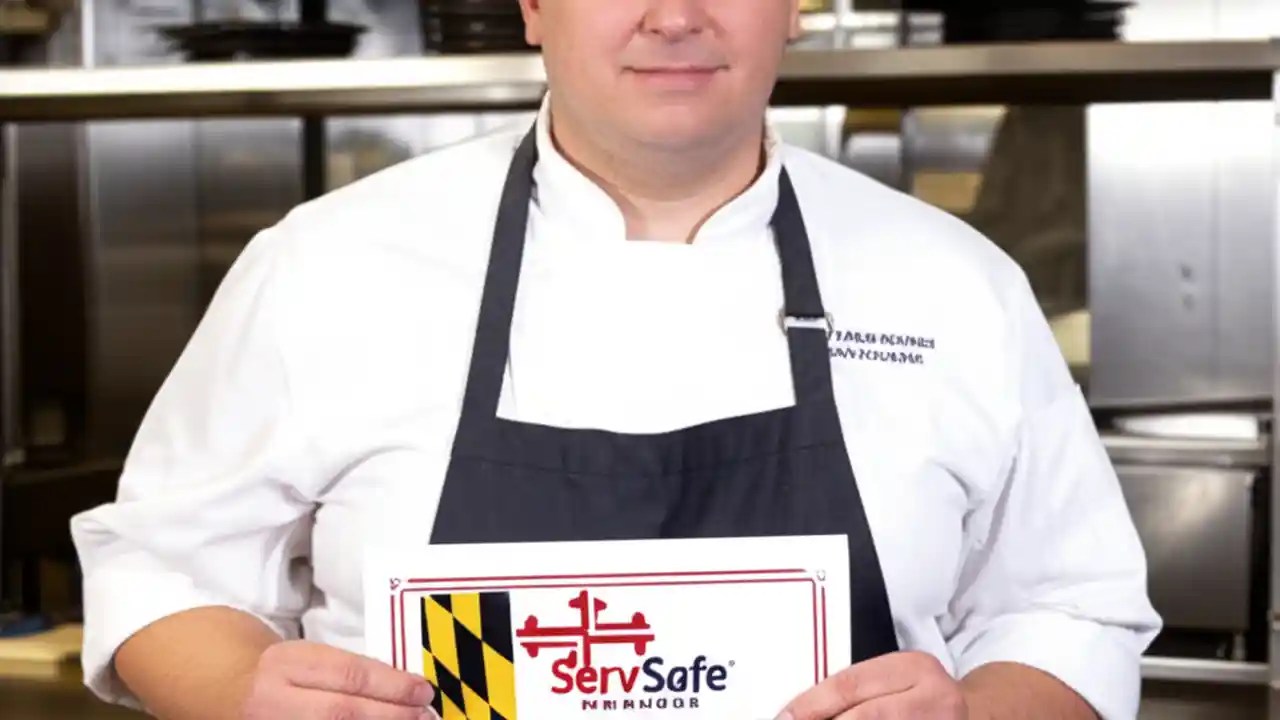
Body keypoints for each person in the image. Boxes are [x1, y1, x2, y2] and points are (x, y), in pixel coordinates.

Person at [70, 0, 1161, 718]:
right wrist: (242, 693)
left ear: (792, 6)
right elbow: (160, 566)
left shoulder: (950, 279)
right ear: (534, 5)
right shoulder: (329, 263)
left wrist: (972, 714)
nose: (671, 16)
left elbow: (1068, 607)